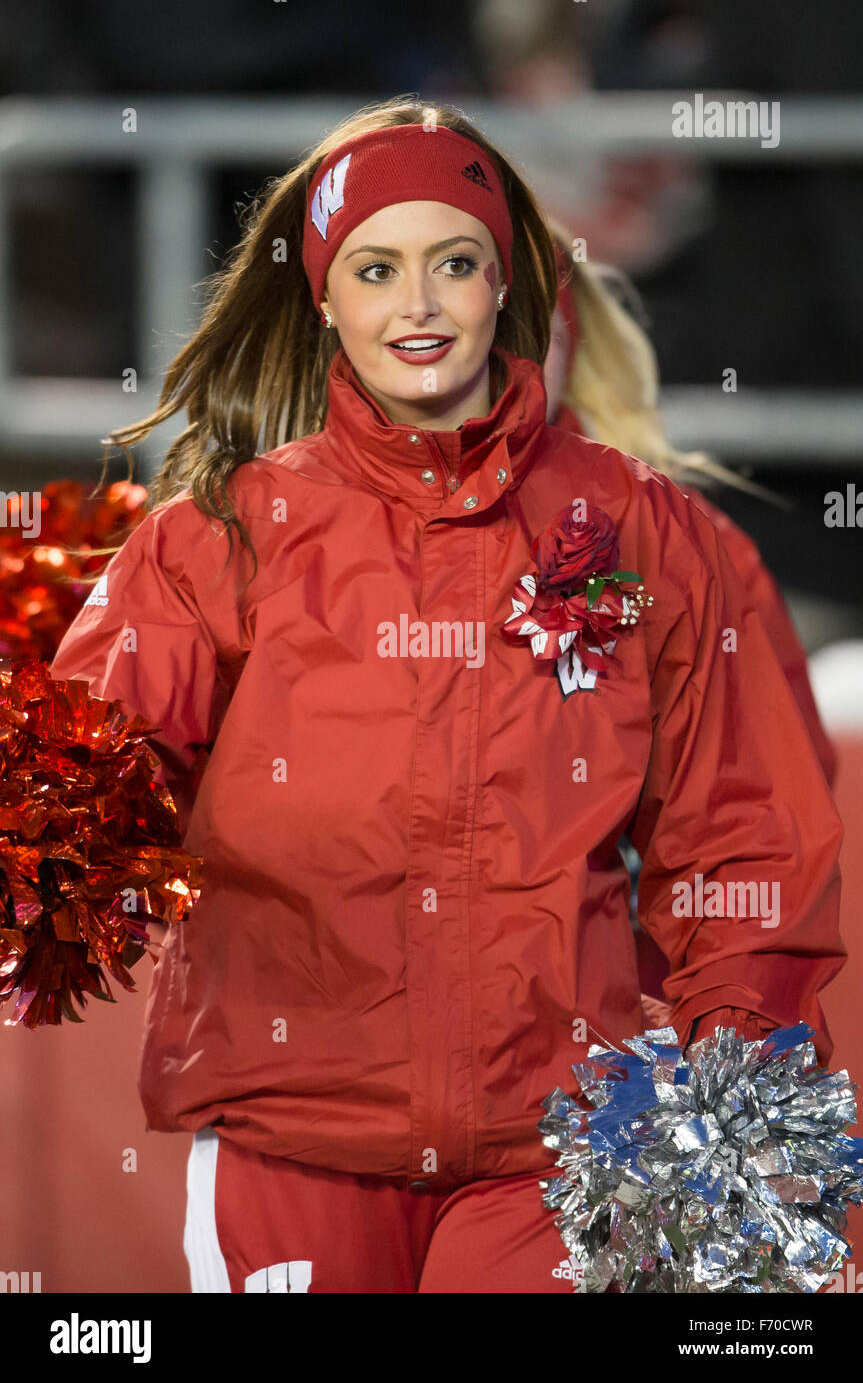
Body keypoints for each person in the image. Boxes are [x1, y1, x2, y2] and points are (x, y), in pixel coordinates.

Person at [48, 97, 844, 1294]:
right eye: (375, 268)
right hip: (293, 1138)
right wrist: (41, 809)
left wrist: (736, 1101)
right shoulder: (214, 539)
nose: (416, 304)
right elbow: (87, 785)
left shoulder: (647, 532)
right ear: (325, 299)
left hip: (561, 1147)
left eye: (452, 263)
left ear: (499, 284)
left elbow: (744, 838)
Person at [541, 233, 839, 1013]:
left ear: (570, 339)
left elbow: (760, 841)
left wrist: (694, 1040)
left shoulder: (682, 546)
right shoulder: (275, 540)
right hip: (337, 1085)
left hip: (606, 1061)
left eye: (521, 322)